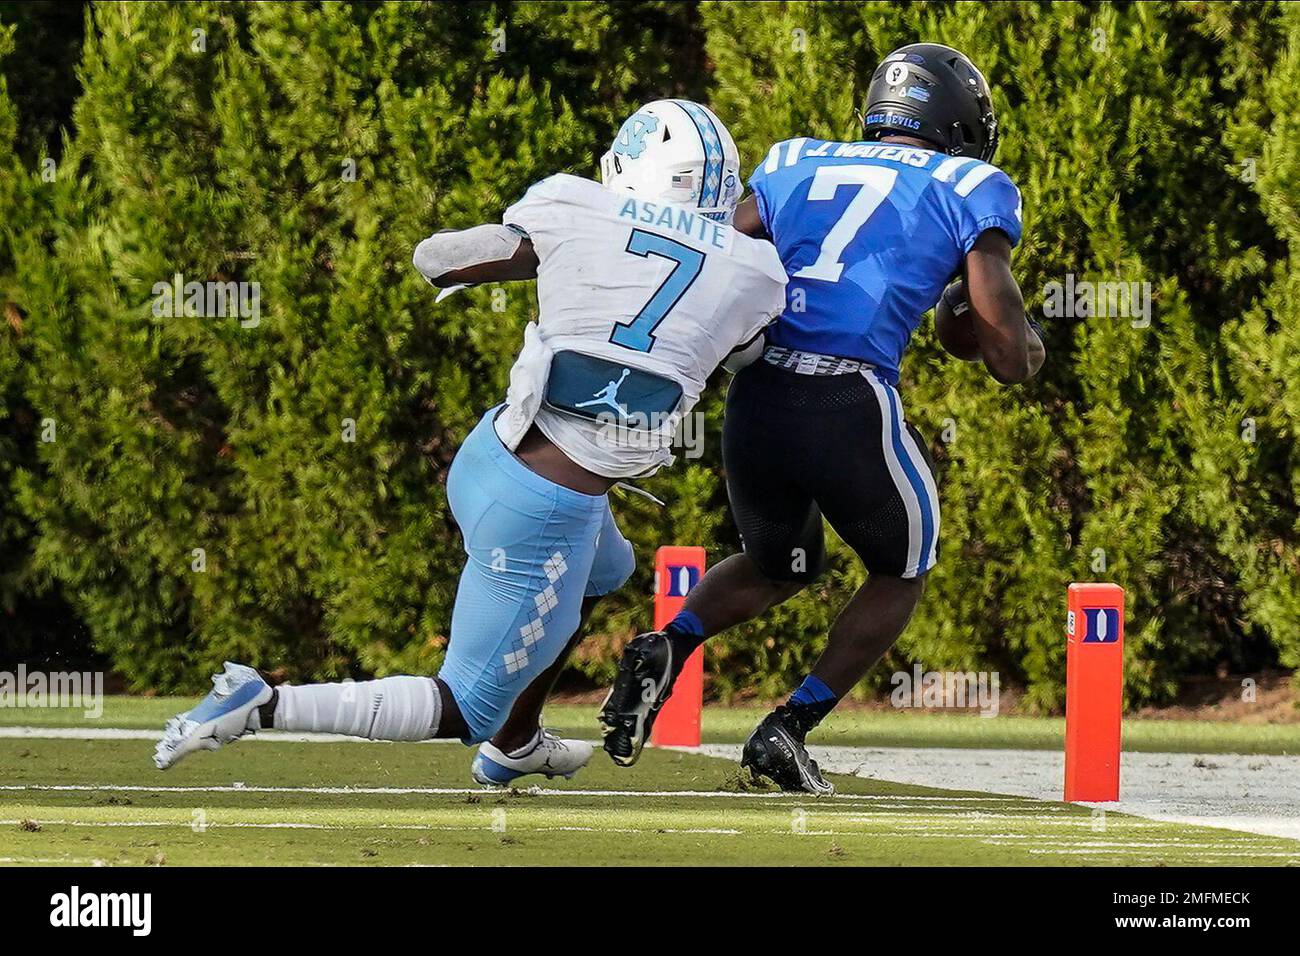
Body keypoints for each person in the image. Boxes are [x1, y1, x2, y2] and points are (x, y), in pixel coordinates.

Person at [153, 100, 787, 787]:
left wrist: (541, 259)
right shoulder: (752, 271)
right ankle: (262, 703)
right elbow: (749, 350)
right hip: (546, 506)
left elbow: (440, 258)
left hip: (493, 453)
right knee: (466, 706)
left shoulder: (575, 207)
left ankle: (520, 740)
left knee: (607, 569)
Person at [599, 44, 1046, 794]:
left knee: (782, 563)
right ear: (960, 119)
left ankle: (666, 647)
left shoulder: (794, 161)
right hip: (848, 398)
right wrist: (1026, 345)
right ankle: (788, 727)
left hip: (759, 398)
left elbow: (714, 253)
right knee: (903, 566)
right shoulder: (972, 183)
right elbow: (1002, 349)